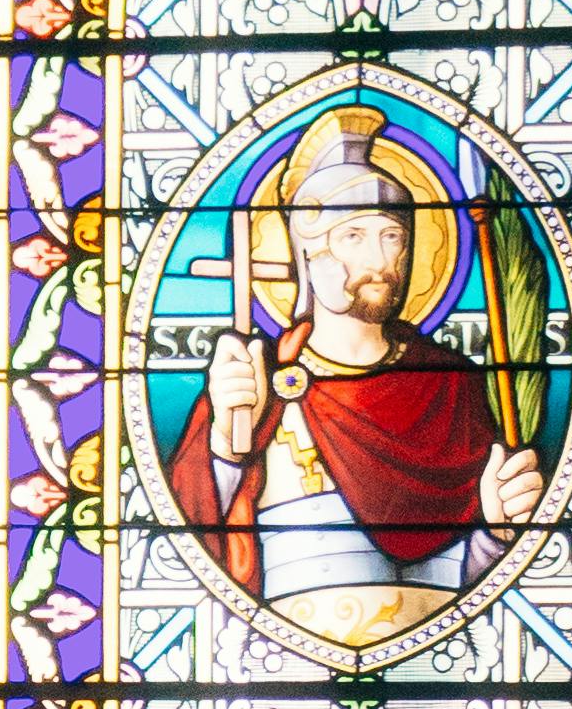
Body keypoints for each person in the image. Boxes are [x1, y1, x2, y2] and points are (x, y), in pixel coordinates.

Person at [194, 110, 545, 648]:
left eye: (393, 236)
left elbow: (464, 578)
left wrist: (495, 534)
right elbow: (196, 540)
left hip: (443, 656)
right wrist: (224, 444)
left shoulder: (451, 384)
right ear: (306, 253)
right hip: (276, 661)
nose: (379, 260)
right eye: (354, 235)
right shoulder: (254, 381)